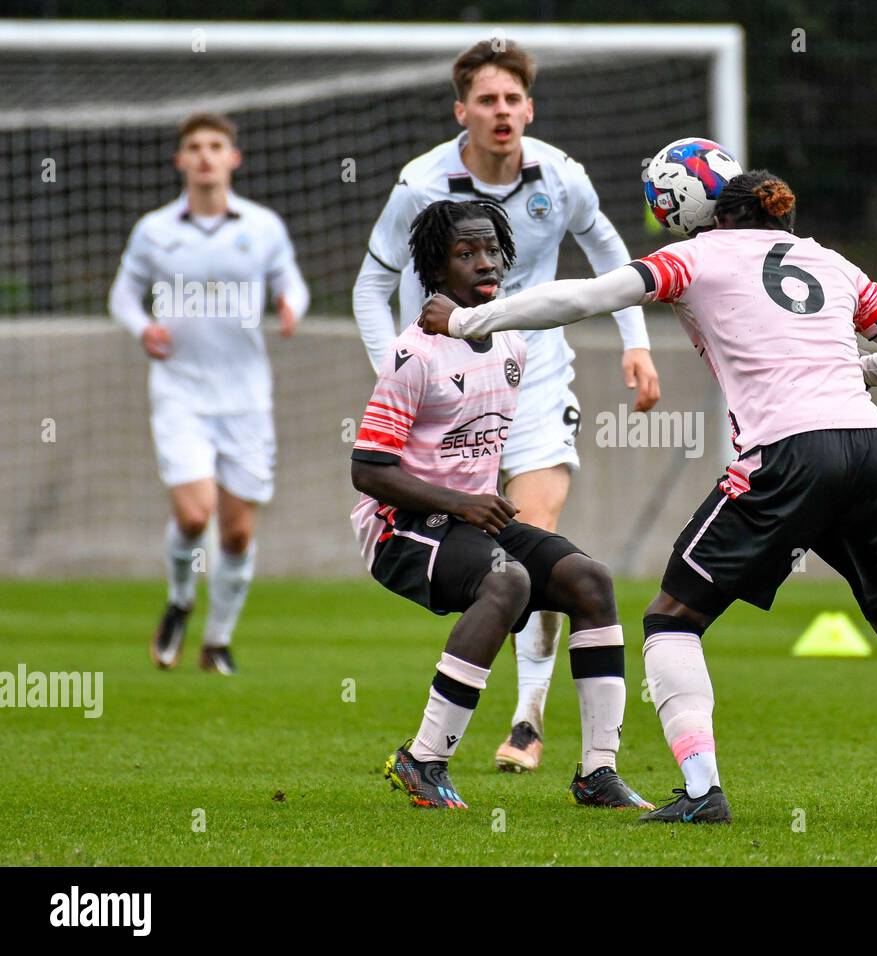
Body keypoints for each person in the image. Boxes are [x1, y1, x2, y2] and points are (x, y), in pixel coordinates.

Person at [416, 169, 877, 826]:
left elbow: (587, 298)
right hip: (868, 447)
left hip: (787, 454)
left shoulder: (696, 255)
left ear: (721, 216)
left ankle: (702, 790)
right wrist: (849, 370)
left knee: (671, 620)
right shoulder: (828, 261)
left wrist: (475, 321)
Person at [353, 39, 662, 773]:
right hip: (438, 389)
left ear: (530, 107)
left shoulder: (562, 176)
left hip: (532, 376)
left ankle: (530, 721)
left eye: (513, 99)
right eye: (486, 100)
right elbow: (371, 285)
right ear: (462, 110)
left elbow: (615, 259)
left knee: (542, 541)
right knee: (502, 566)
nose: (501, 112)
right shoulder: (419, 184)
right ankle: (430, 752)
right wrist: (402, 372)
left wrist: (637, 344)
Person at [109, 111, 309, 676]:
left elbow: (290, 280)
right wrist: (141, 327)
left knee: (238, 529)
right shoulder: (155, 230)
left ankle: (217, 641)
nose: (204, 155)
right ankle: (179, 599)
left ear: (233, 158)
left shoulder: (262, 226)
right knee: (195, 516)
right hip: (180, 393)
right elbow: (122, 297)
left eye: (215, 145)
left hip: (245, 397)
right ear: (180, 160)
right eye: (194, 146)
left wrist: (293, 305)